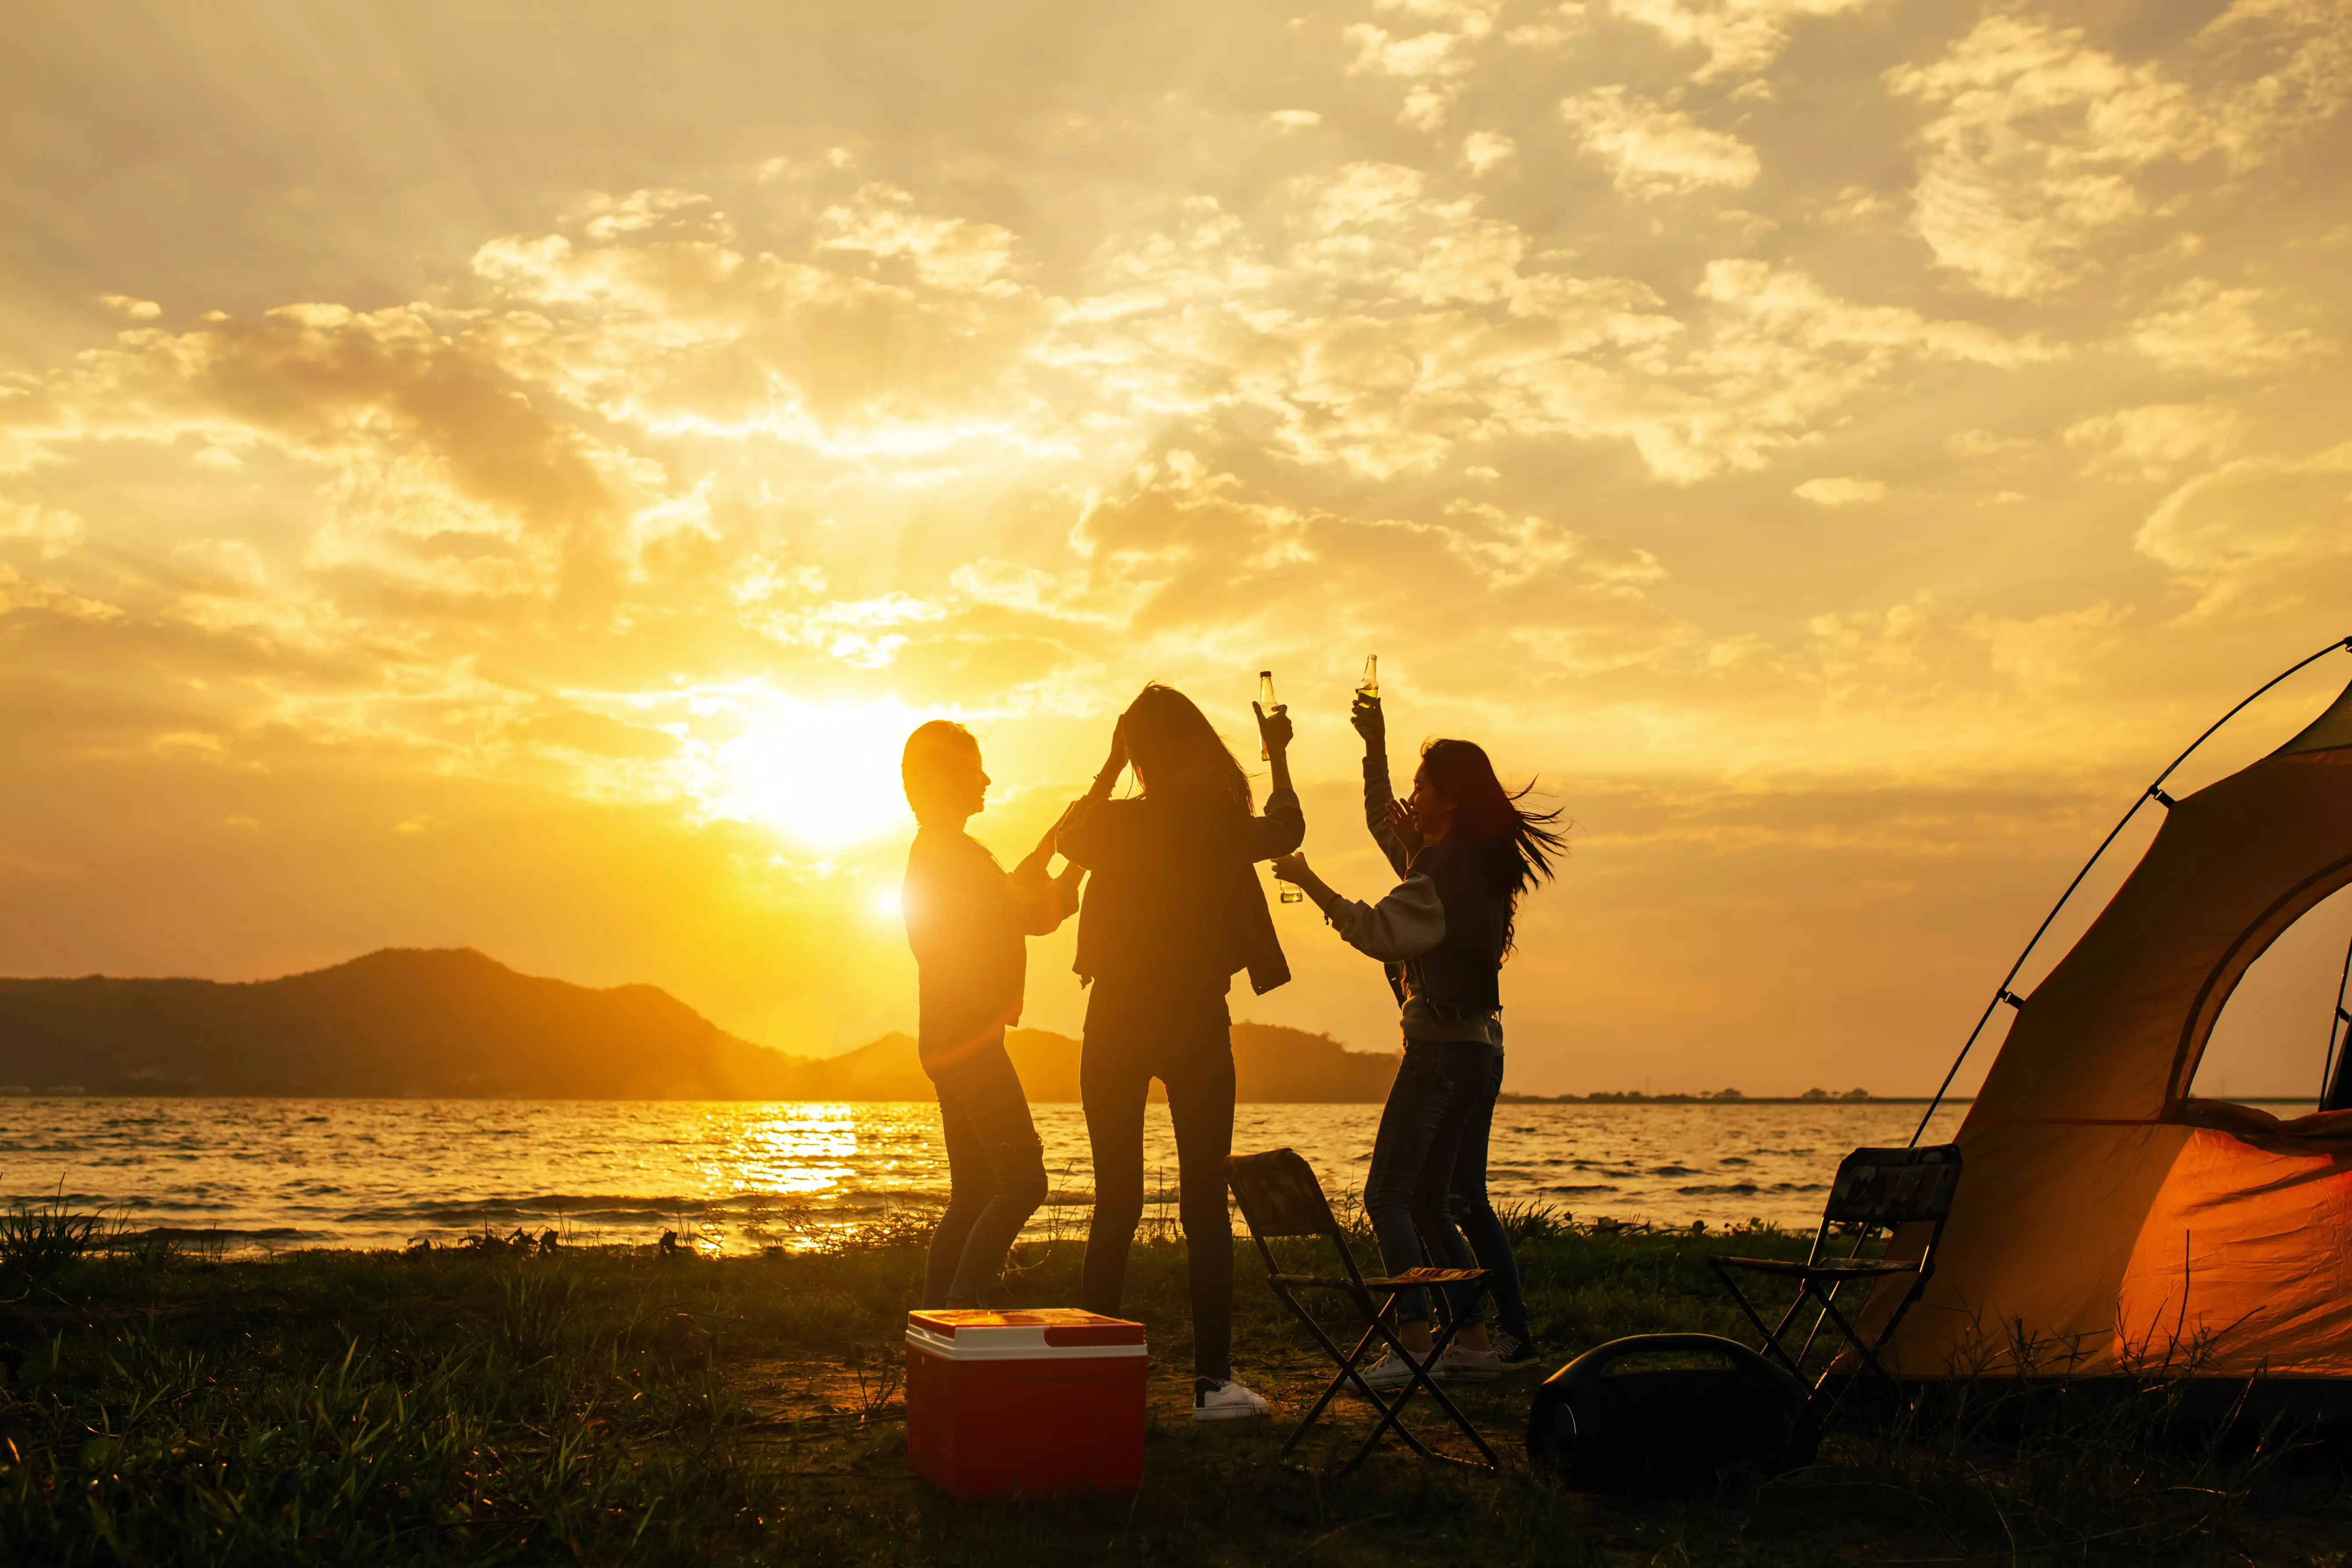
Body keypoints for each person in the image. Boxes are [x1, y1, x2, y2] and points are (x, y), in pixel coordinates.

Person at [1272, 692, 1562, 1385]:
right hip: (1480, 1048)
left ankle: (1414, 1341)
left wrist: (1309, 880)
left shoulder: (1440, 869)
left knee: (1388, 1198)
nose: (1410, 797)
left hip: (1439, 1053)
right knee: (1442, 1201)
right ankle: (1477, 1343)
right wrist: (1373, 747)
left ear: (1451, 801)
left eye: (1420, 787)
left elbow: (1378, 932)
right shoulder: (1471, 862)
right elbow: (1387, 827)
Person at [1058, 684, 1301, 1420]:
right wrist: (1280, 755)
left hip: (1115, 1022)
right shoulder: (1218, 824)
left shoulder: (1115, 826)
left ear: (1138, 753)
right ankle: (1213, 1385)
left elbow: (1069, 834)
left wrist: (1108, 767)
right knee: (1204, 1206)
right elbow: (1285, 830)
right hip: (1195, 1021)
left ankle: (1090, 1380)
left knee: (1116, 1204)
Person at [900, 720, 1083, 1310]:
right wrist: (1076, 857)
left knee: (975, 1191)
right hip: (968, 1044)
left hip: (948, 1040)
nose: (986, 778)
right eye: (973, 767)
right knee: (1024, 1182)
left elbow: (1021, 895)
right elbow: (1030, 910)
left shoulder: (944, 852)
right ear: (944, 779)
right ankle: (957, 1316)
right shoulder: (950, 857)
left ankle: (933, 1328)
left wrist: (1064, 843)